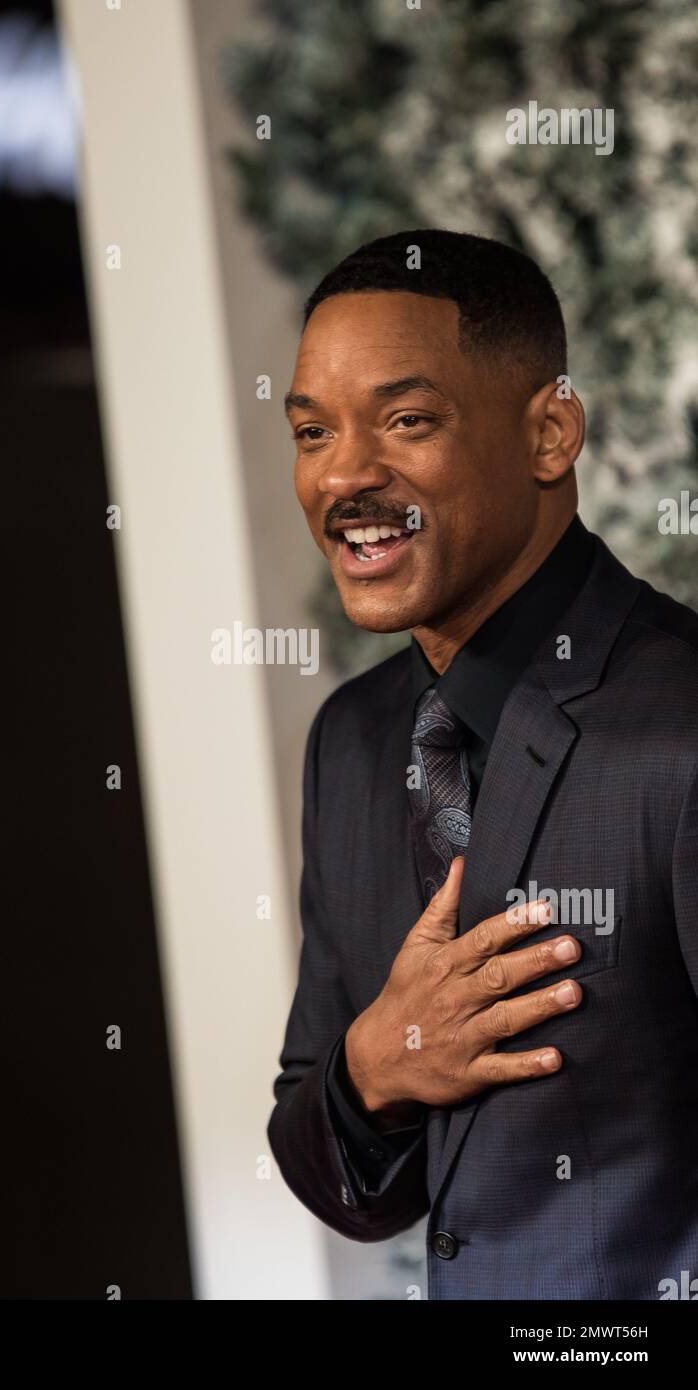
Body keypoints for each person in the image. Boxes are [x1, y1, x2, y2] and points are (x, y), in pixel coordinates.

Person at [269, 229, 698, 1300]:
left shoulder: (681, 721)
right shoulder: (354, 741)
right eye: (312, 430)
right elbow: (336, 1176)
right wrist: (376, 1068)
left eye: (405, 420)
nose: (346, 474)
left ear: (548, 432)